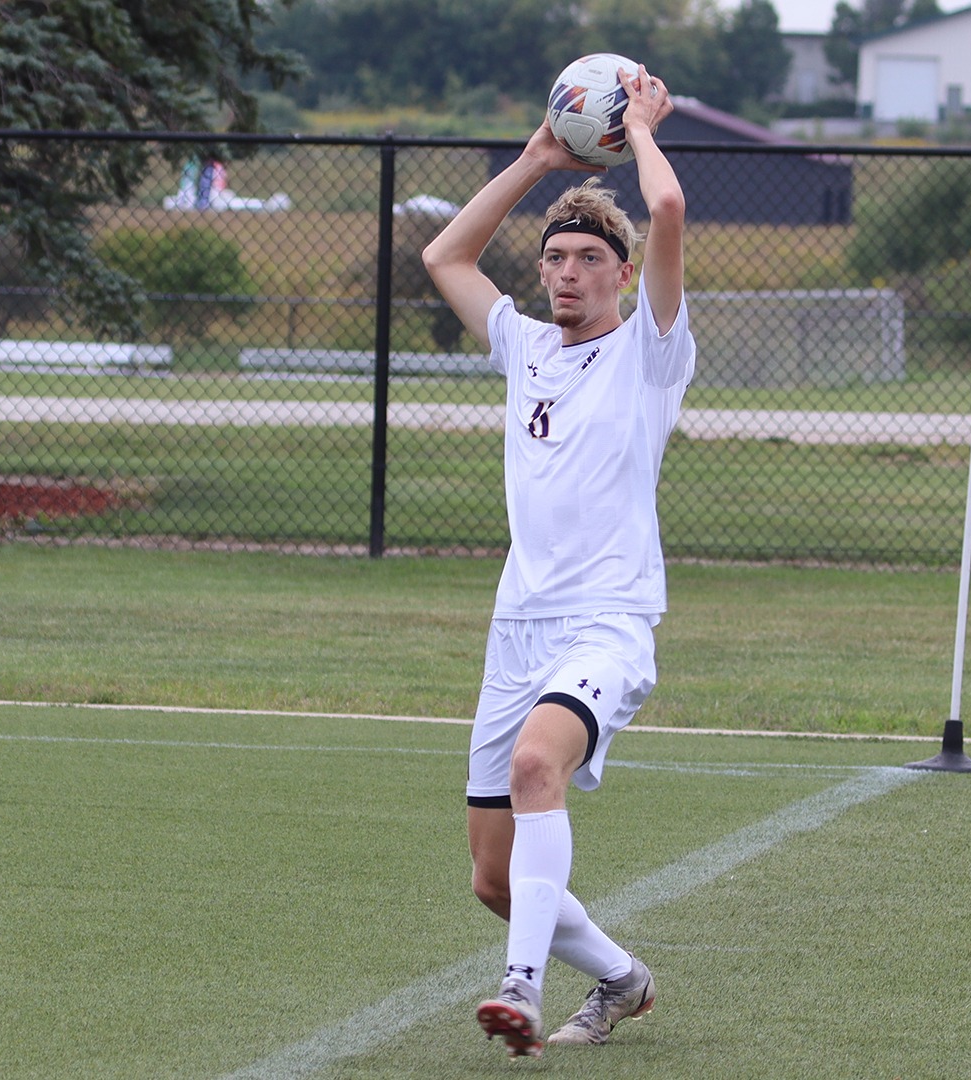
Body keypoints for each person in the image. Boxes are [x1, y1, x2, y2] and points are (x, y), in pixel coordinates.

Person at [421, 64, 693, 1057]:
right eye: (556, 258)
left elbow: (663, 202)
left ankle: (521, 988)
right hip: (516, 631)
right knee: (494, 881)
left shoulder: (652, 355)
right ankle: (621, 979)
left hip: (607, 622)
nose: (568, 272)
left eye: (588, 258)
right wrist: (538, 157)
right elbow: (445, 254)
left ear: (622, 272)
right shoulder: (526, 346)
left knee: (540, 763)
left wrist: (645, 125)